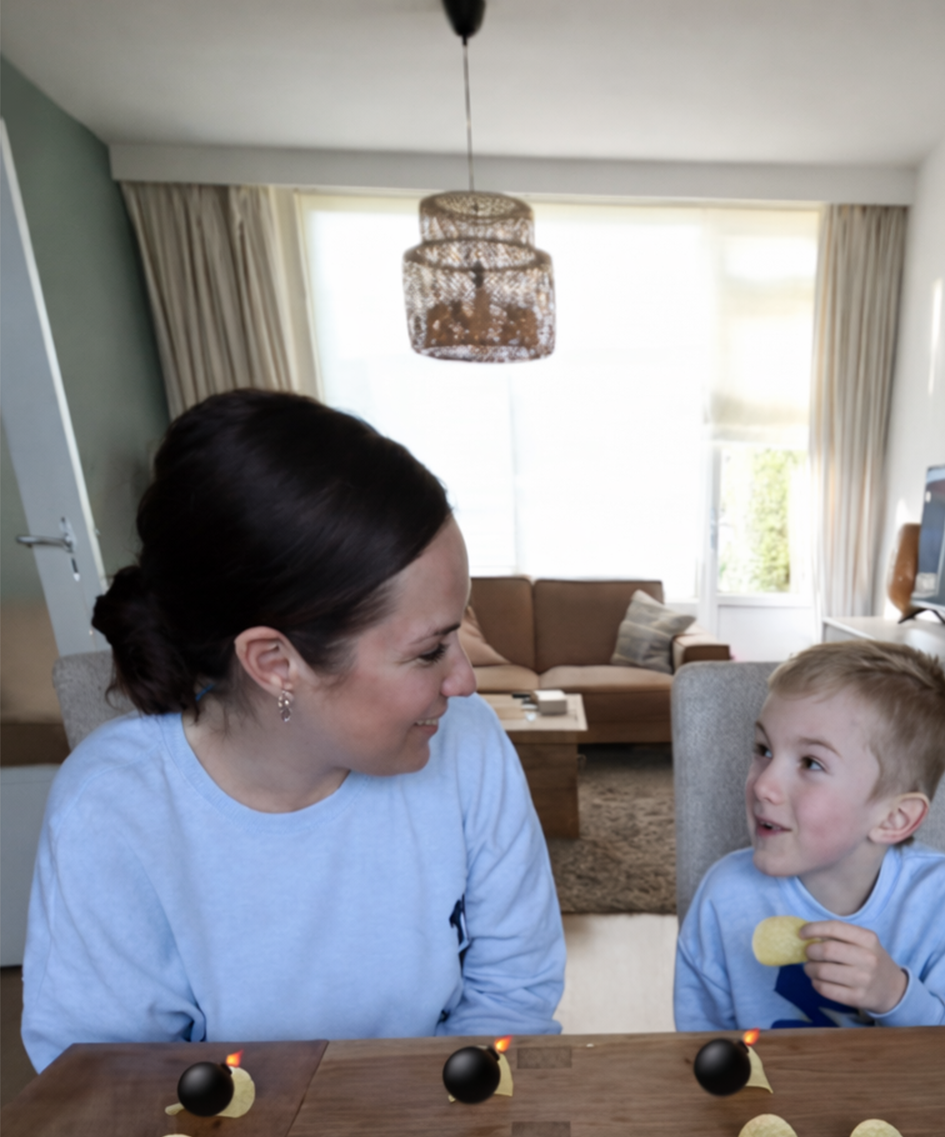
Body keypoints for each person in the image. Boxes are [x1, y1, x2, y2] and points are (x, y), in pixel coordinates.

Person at [22, 390, 565, 1071]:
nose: (465, 682)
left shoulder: (469, 744)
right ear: (275, 663)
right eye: (429, 651)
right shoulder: (111, 810)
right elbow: (102, 1083)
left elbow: (513, 998)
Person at [674, 639, 945, 1031]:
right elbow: (702, 1048)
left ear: (894, 818)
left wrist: (896, 995)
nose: (763, 785)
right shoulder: (723, 896)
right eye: (764, 749)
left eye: (811, 762)